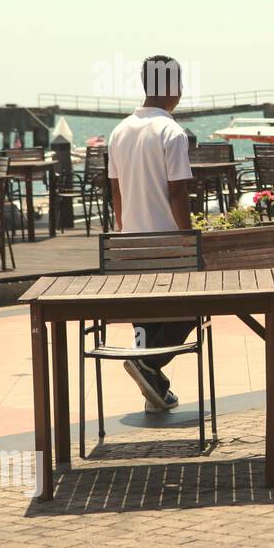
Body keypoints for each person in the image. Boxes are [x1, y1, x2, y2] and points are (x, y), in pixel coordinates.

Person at [107, 55, 195, 411]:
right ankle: (149, 365)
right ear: (173, 88)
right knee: (192, 311)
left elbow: (115, 190)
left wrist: (122, 228)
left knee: (146, 321)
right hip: (167, 244)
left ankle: (154, 393)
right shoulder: (172, 132)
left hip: (130, 244)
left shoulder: (119, 131)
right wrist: (190, 239)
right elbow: (177, 192)